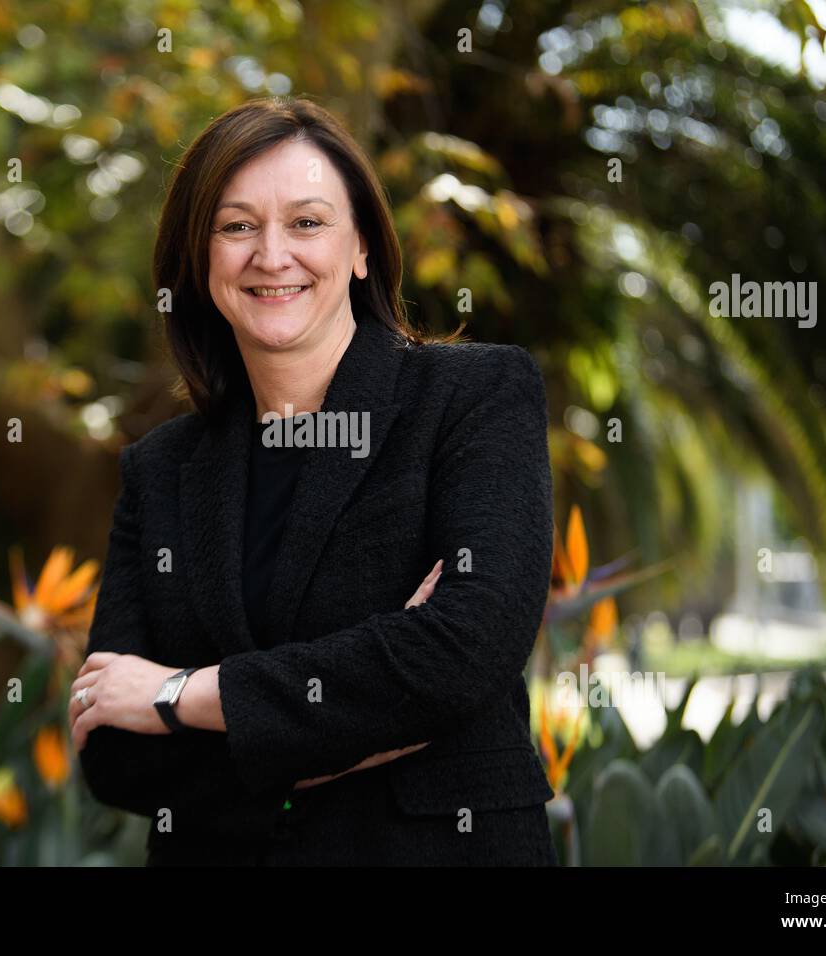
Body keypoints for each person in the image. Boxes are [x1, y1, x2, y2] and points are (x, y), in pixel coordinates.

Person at [69, 95, 557, 866]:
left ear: (361, 245)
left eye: (306, 222)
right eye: (236, 226)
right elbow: (113, 753)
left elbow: (463, 648)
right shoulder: (160, 470)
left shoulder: (471, 399)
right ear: (199, 260)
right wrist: (367, 720)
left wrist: (182, 696)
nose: (271, 254)